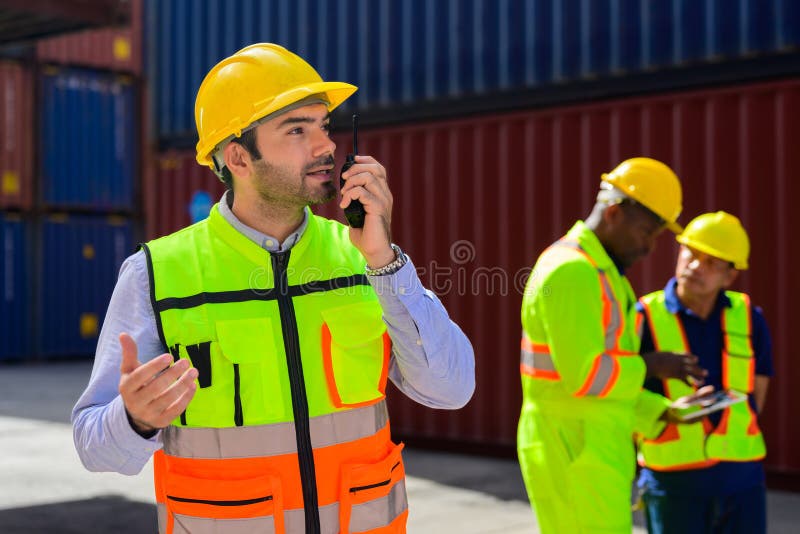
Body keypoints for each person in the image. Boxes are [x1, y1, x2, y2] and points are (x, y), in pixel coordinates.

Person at [72, 43, 475, 534]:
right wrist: (134, 418)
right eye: (297, 130)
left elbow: (452, 389)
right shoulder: (156, 272)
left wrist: (384, 261)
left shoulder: (362, 256)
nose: (325, 145)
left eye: (323, 127)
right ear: (240, 157)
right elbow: (93, 446)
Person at [517, 157, 711, 533]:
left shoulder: (603, 273)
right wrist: (654, 366)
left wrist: (662, 411)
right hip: (573, 451)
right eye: (647, 232)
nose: (651, 247)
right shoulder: (573, 271)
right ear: (616, 213)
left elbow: (607, 376)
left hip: (588, 447)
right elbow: (587, 378)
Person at [636, 211, 772, 534]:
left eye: (711, 262)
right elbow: (622, 392)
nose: (696, 266)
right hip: (673, 484)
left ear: (729, 276)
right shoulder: (643, 317)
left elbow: (757, 394)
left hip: (743, 483)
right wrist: (668, 414)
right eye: (692, 254)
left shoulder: (750, 317)